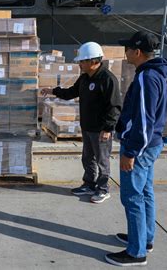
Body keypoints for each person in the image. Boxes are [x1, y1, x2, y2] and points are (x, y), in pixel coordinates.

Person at [105, 31, 167, 266]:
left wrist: (131, 152)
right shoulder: (156, 74)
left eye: (128, 49)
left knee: (132, 197)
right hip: (151, 144)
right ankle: (144, 239)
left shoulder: (146, 78)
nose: (126, 53)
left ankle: (136, 252)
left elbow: (144, 119)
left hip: (139, 147)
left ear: (137, 52)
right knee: (145, 192)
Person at [41, 42, 121, 203]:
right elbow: (71, 92)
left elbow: (114, 107)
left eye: (82, 61)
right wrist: (53, 91)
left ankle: (103, 189)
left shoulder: (107, 79)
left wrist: (107, 128)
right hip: (87, 127)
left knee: (102, 161)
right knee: (88, 158)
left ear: (93, 61)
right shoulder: (85, 78)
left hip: (101, 130)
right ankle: (89, 184)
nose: (80, 64)